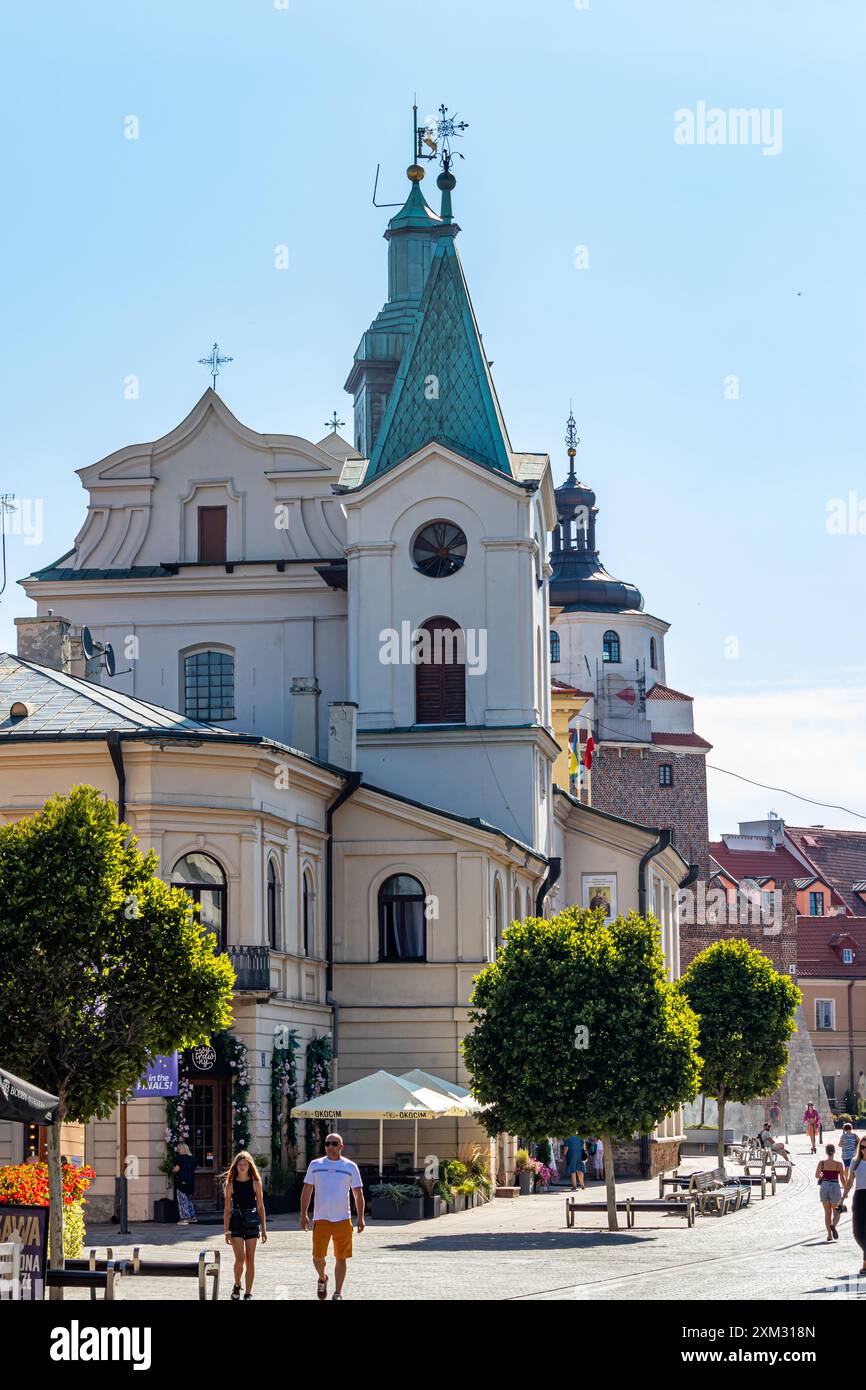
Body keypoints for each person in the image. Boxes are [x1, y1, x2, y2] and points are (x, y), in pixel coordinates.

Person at [301, 1133, 365, 1301]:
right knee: (317, 1257)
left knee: (341, 1257)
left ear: (341, 1146)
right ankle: (322, 1278)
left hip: (343, 1219)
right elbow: (307, 1190)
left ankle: (337, 1292)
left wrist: (361, 1217)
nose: (330, 1146)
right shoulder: (315, 1165)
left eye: (334, 1143)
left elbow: (358, 1194)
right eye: (327, 1143)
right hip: (321, 1218)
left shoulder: (350, 1167)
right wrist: (303, 1214)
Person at [223, 1151, 267, 1301]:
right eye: (240, 1164)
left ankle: (248, 1293)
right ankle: (237, 1284)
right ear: (236, 1166)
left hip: (252, 1222)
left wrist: (264, 1229)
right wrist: (226, 1231)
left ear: (249, 1166)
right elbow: (227, 1210)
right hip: (236, 1222)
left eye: (245, 1164)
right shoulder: (230, 1185)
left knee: (250, 1260)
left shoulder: (256, 1183)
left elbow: (261, 1207)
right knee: (240, 1259)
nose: (242, 1167)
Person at [843, 1135, 866, 1278]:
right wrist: (842, 1197)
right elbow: (850, 1181)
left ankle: (865, 1265)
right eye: (862, 1147)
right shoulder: (855, 1162)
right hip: (858, 1198)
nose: (865, 1150)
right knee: (857, 1233)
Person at [816, 1144, 844, 1242]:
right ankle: (833, 1225)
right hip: (835, 1186)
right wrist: (845, 1190)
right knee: (837, 1211)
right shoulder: (839, 1164)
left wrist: (822, 1175)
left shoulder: (822, 1163)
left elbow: (816, 1175)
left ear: (826, 1152)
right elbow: (842, 1179)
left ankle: (829, 1235)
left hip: (824, 1186)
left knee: (827, 1213)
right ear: (834, 1152)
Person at [172, 1141, 197, 1225]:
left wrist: (171, 1170)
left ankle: (184, 1219)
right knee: (189, 1199)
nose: (178, 1150)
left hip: (181, 1181)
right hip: (190, 1181)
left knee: (182, 1200)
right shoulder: (192, 1159)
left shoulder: (178, 1158)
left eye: (178, 1149)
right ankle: (192, 1217)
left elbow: (177, 1169)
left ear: (180, 1149)